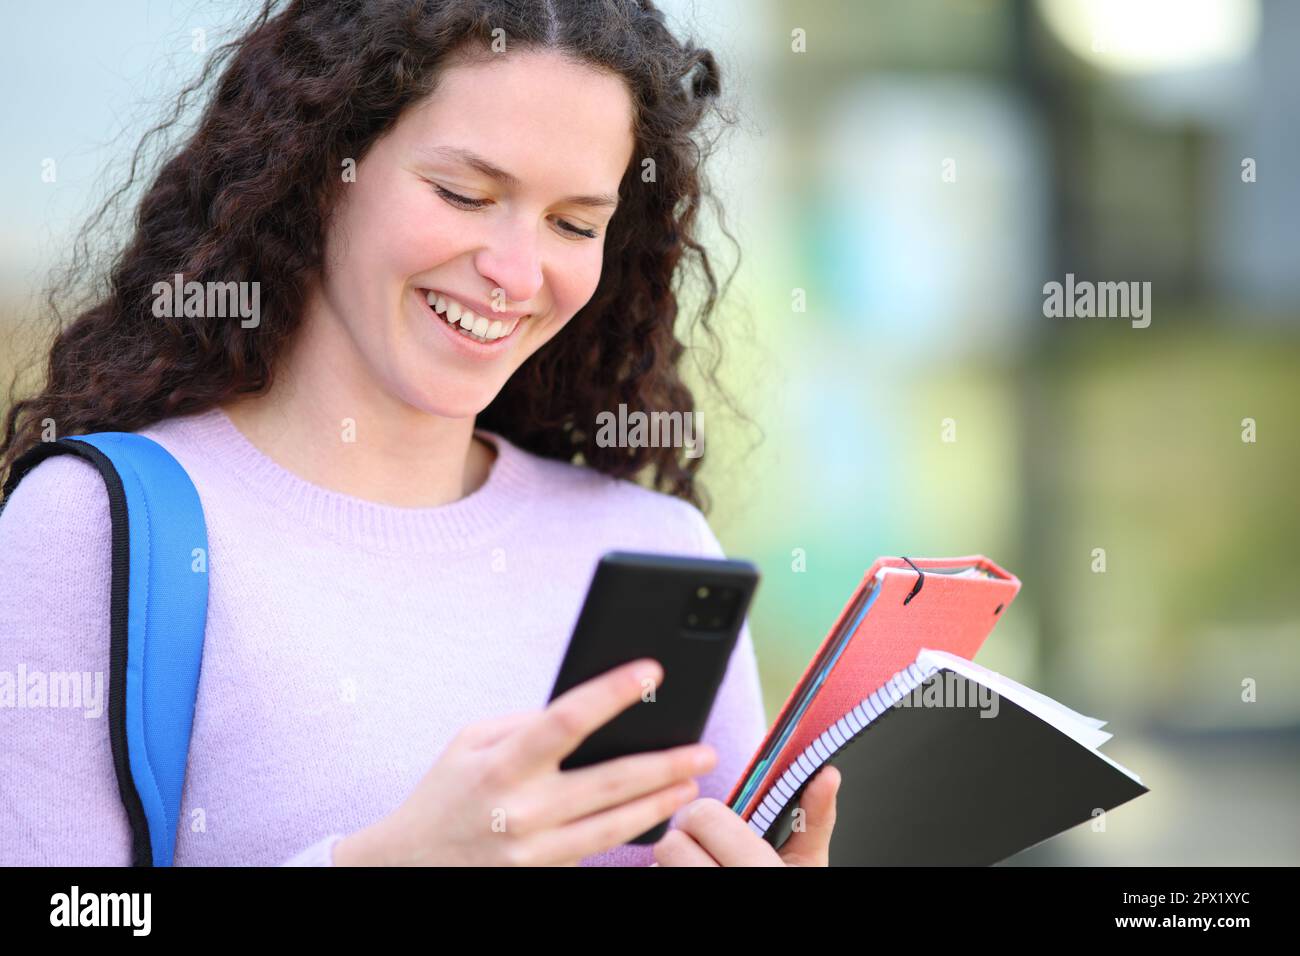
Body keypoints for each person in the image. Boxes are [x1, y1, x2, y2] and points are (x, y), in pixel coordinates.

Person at [0, 0, 838, 866]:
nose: (515, 273)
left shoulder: (660, 554)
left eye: (574, 224)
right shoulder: (94, 529)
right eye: (464, 194)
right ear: (325, 167)